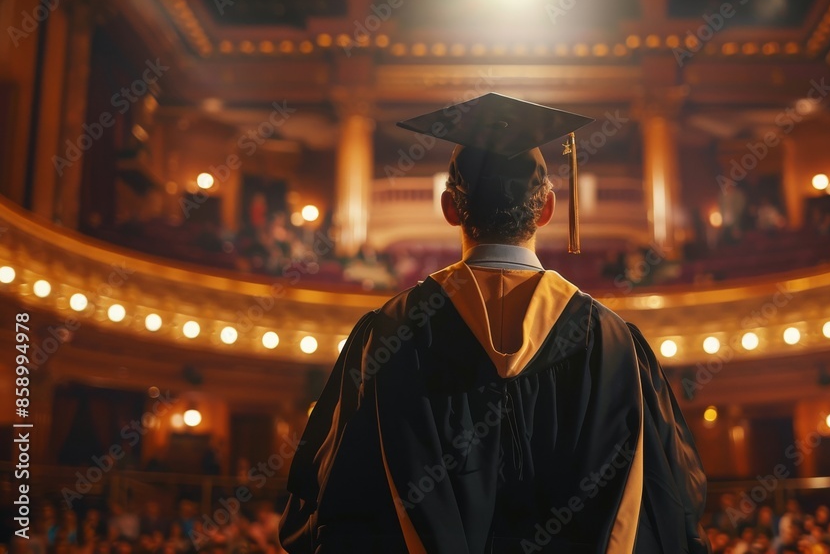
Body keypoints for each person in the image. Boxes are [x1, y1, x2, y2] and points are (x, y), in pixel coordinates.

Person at [278, 93, 709, 552]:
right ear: (546, 209)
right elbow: (672, 502)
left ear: (449, 208)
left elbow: (334, 498)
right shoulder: (613, 341)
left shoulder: (388, 334)